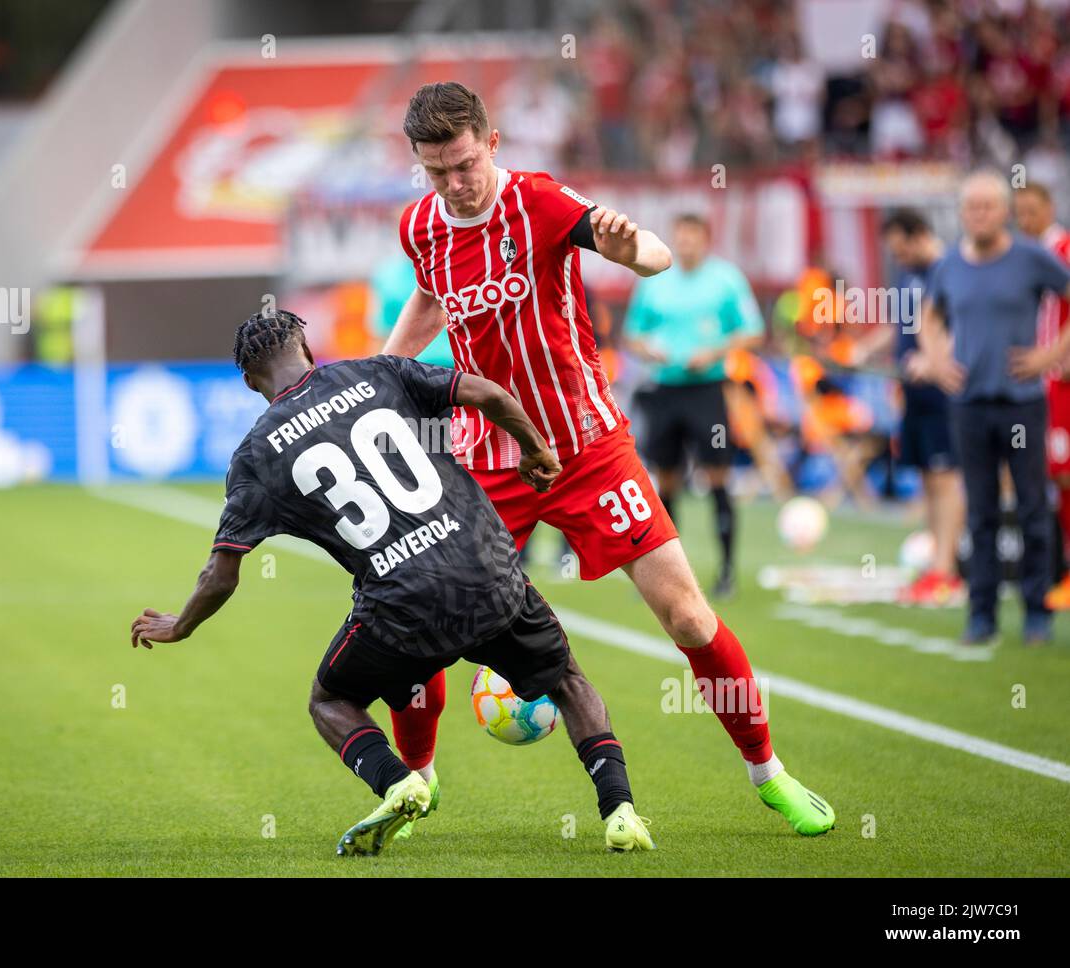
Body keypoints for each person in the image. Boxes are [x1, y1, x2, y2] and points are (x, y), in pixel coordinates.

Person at [383, 81, 834, 836]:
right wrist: (379, 371)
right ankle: (416, 781)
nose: (454, 185)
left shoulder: (540, 200)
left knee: (688, 616)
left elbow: (647, 254)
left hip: (587, 448)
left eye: (463, 164)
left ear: (491, 144)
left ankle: (770, 773)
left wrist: (639, 249)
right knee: (424, 620)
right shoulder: (421, 227)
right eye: (436, 171)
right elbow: (432, 297)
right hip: (489, 460)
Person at [129, 310, 653, 856]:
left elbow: (222, 572)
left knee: (331, 700)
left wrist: (182, 624)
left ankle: (401, 782)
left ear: (249, 382)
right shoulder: (378, 372)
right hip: (486, 572)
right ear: (306, 346)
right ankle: (619, 810)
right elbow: (490, 395)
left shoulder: (257, 455)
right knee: (567, 679)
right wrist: (535, 448)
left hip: (401, 612)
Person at [919, 171, 1070, 645]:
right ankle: (981, 613)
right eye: (972, 207)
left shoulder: (1032, 259)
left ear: (1004, 211)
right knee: (981, 512)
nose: (980, 214)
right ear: (962, 213)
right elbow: (930, 314)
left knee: (1032, 508)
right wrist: (938, 359)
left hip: (1023, 403)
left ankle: (1037, 611)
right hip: (969, 405)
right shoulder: (948, 266)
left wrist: (1050, 355)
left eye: (989, 206)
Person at [623, 212, 765, 597]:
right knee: (665, 481)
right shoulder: (654, 280)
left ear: (706, 239)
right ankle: (668, 576)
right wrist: (648, 349)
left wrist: (714, 351)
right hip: (665, 392)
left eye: (692, 238)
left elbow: (753, 332)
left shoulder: (725, 279)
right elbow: (632, 335)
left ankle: (726, 571)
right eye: (680, 238)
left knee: (717, 476)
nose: (685, 244)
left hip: (707, 391)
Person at [857, 209, 965, 606]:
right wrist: (864, 349)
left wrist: (933, 360)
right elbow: (898, 325)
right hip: (913, 396)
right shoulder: (908, 273)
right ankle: (935, 566)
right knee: (928, 480)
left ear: (919, 234)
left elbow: (965, 326)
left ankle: (947, 570)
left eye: (903, 249)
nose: (899, 259)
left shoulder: (949, 269)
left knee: (946, 478)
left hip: (943, 394)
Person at [1012, 183, 1070, 610]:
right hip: (1040, 382)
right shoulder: (1024, 255)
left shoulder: (1063, 249)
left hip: (1062, 379)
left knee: (1064, 471)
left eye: (1032, 211)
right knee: (1051, 474)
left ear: (1049, 208)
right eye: (1020, 212)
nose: (1025, 219)